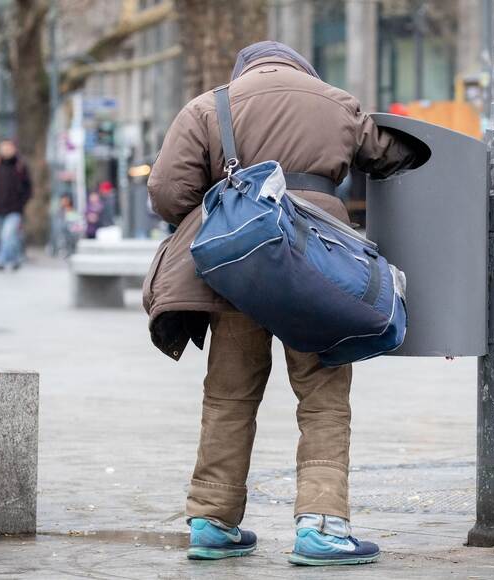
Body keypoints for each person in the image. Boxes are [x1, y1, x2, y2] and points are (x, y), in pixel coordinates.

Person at [147, 41, 416, 566]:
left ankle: (212, 522)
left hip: (239, 272)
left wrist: (225, 201)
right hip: (320, 266)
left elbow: (166, 192)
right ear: (302, 69)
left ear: (243, 68)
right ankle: (321, 527)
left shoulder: (210, 107)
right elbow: (388, 156)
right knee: (322, 396)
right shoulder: (337, 103)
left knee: (228, 397)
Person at [0, 139, 32, 271]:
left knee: (7, 234)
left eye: (8, 147)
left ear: (14, 149)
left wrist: (21, 203)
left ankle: (0, 260)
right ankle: (16, 258)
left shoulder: (21, 166)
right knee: (9, 237)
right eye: (3, 147)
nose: (5, 150)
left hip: (14, 209)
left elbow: (28, 188)